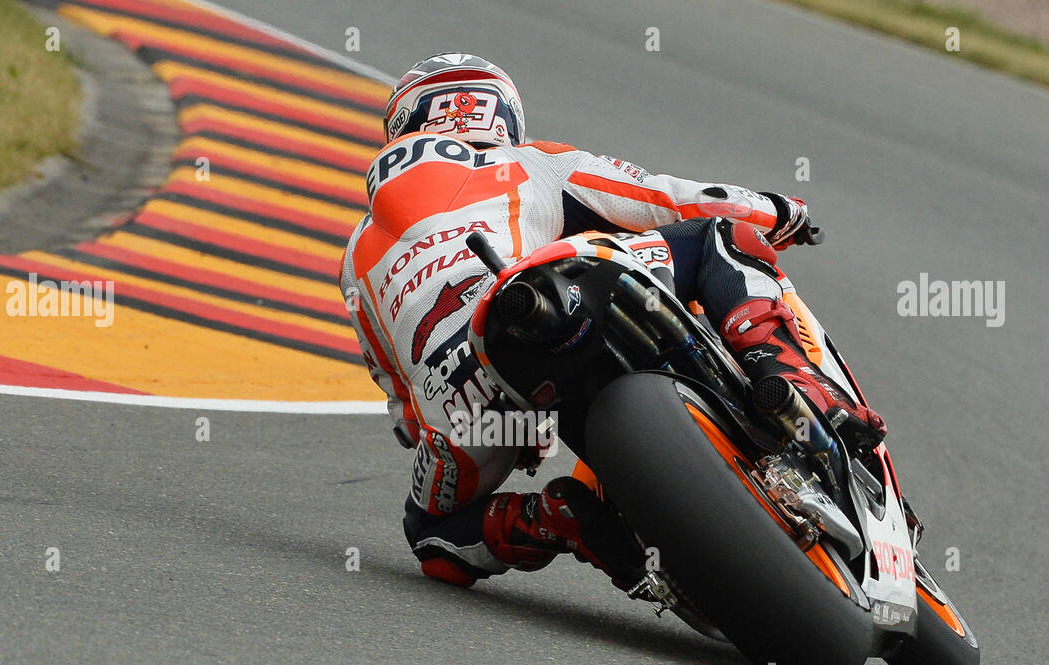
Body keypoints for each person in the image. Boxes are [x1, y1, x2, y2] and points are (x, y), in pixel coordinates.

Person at [339, 53, 885, 590]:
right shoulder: (530, 161)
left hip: (463, 402)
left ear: (405, 122)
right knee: (720, 237)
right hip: (557, 296)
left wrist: (477, 421)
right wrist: (778, 212)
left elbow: (402, 407)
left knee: (429, 533)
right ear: (498, 114)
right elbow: (670, 199)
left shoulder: (356, 258)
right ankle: (794, 381)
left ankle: (552, 520)